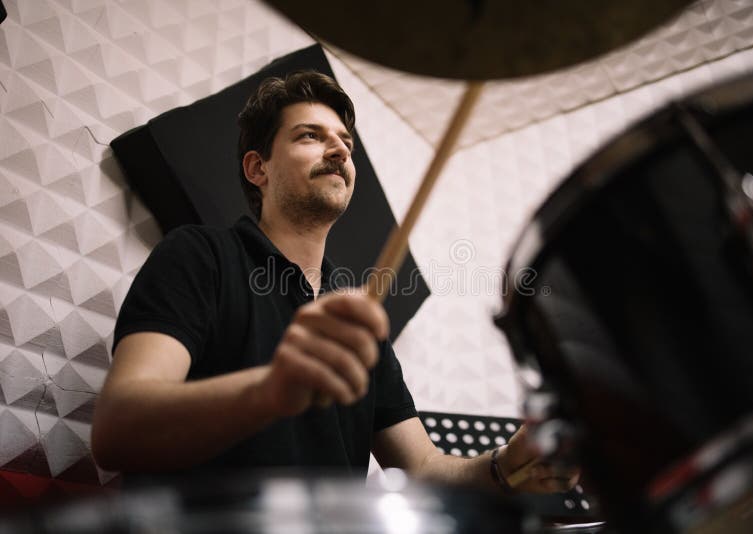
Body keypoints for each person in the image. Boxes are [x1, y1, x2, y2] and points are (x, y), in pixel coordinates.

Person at [91, 70, 577, 493]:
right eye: (310, 136)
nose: (338, 150)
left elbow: (422, 467)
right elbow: (118, 429)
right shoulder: (200, 255)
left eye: (344, 141)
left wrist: (503, 467)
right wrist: (272, 390)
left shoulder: (358, 316)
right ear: (258, 168)